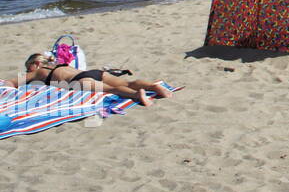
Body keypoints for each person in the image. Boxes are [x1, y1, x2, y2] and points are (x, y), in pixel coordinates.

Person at [13, 54, 172, 106]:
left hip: (78, 80)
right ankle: (153, 86)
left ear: (36, 63)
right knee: (127, 83)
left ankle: (138, 95)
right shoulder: (61, 64)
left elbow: (14, 82)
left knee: (111, 90)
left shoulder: (39, 71)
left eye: (28, 67)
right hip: (94, 72)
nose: (28, 71)